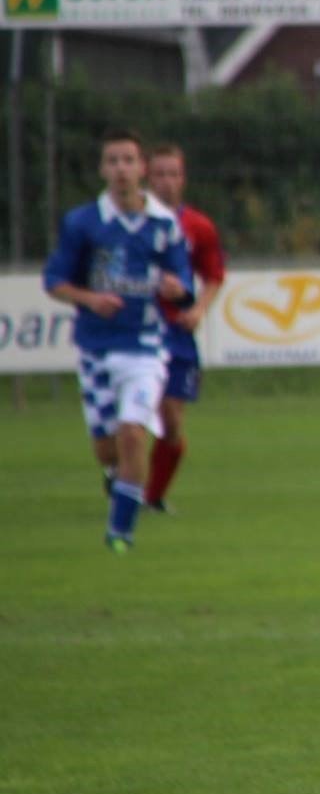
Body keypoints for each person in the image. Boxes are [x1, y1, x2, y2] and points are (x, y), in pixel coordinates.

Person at [43, 130, 193, 553]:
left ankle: (120, 533)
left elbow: (185, 281)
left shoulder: (164, 224)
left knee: (133, 435)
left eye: (128, 160)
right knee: (107, 447)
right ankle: (116, 478)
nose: (121, 169)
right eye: (113, 161)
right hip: (95, 348)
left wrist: (174, 287)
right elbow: (54, 281)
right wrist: (89, 298)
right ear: (103, 169)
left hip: (146, 347)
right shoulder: (83, 223)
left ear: (141, 167)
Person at [143, 144, 227, 513]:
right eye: (160, 173)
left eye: (173, 174)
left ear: (183, 178)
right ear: (148, 177)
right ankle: (125, 475)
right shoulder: (132, 223)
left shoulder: (198, 226)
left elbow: (214, 276)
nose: (166, 182)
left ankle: (153, 496)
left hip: (178, 332)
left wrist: (198, 309)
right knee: (132, 416)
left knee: (172, 423)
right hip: (137, 331)